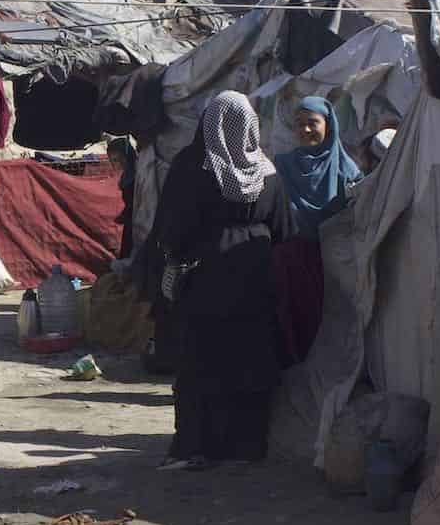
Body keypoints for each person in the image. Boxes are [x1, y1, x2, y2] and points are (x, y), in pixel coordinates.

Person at [154, 90, 285, 469]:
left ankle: (197, 447)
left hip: (207, 275)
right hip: (257, 272)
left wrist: (171, 262)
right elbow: (283, 227)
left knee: (201, 361)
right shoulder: (267, 170)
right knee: (250, 359)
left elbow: (174, 227)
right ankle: (246, 446)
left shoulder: (194, 166)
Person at [268, 96, 361, 363]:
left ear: (328, 125)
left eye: (313, 123)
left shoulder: (347, 170)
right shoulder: (283, 166)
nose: (306, 130)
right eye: (300, 124)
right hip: (292, 260)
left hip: (334, 263)